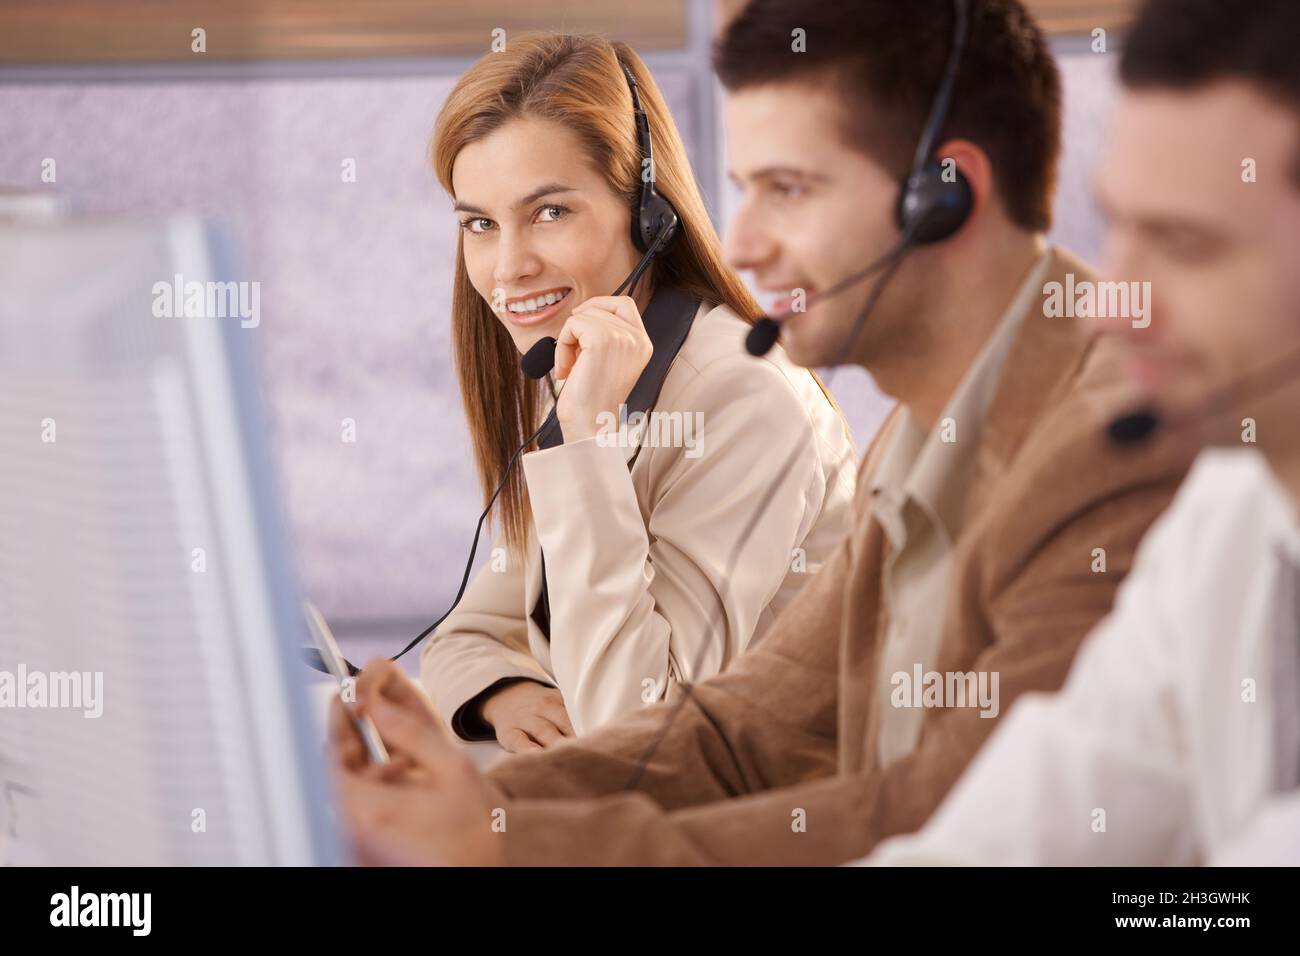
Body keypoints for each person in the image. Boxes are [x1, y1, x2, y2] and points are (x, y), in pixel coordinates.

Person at [328, 0, 1193, 866]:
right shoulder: (920, 434)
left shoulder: (1110, 452)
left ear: (946, 194)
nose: (741, 243)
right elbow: (741, 733)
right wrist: (463, 803)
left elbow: (939, 814)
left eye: (788, 190)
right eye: (743, 191)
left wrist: (498, 843)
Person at [865, 0, 1300, 867]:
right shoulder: (1230, 511)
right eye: (1118, 228)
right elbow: (1023, 833)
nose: (1111, 304)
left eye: (1184, 244)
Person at [418, 34, 857, 751]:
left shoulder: (745, 401)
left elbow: (639, 728)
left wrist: (585, 440)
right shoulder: (592, 362)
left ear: (649, 215)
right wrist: (504, 692)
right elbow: (468, 633)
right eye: (479, 225)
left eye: (550, 212)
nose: (508, 266)